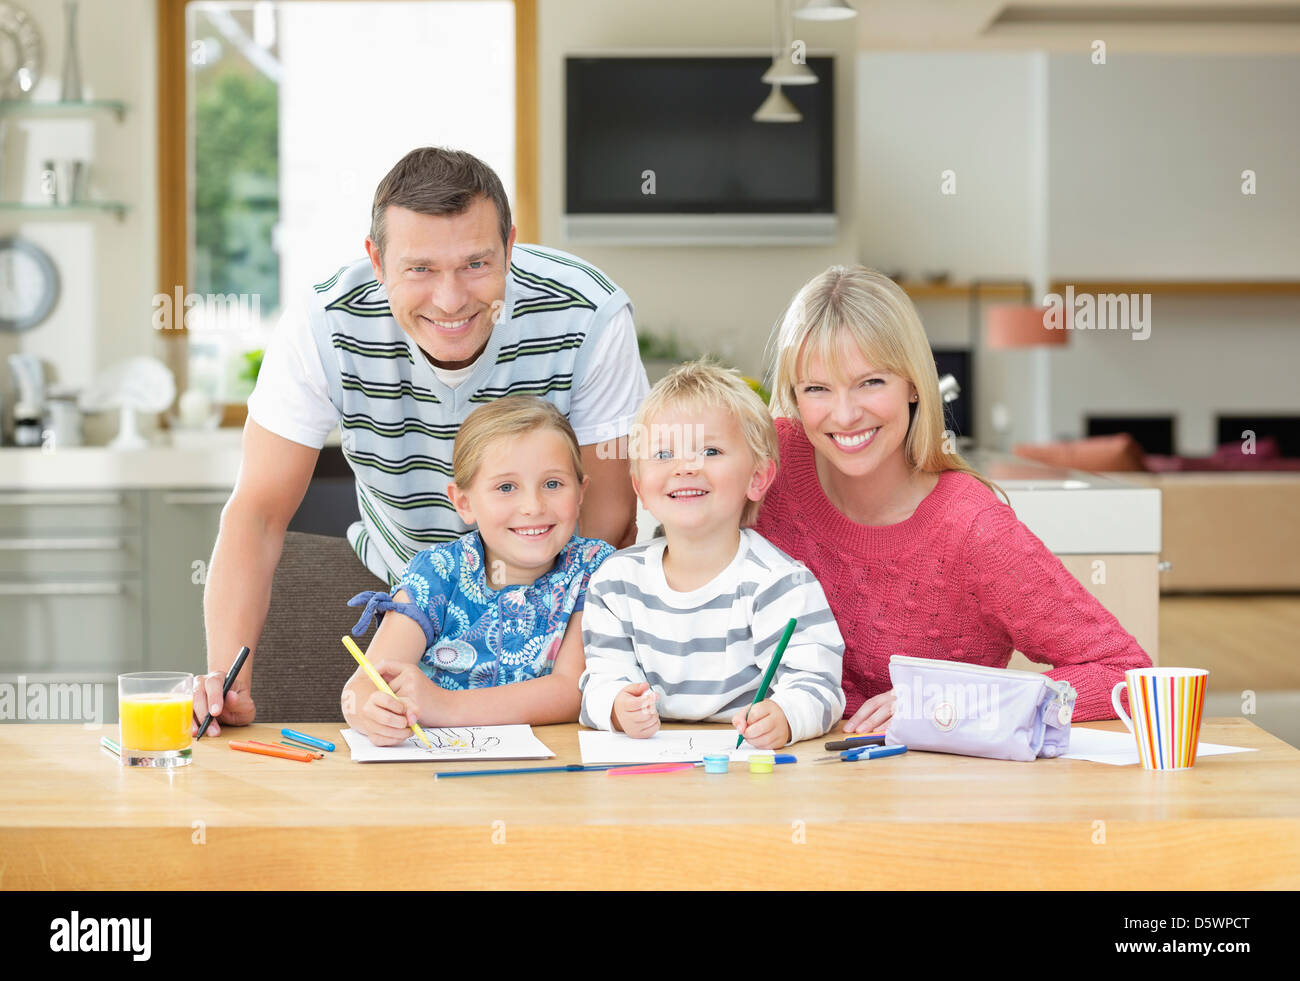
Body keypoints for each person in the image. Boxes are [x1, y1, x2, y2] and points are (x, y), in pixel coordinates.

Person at [195, 147, 646, 735]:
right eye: (420, 269)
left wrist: (526, 629)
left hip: (552, 600)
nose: (451, 298)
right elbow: (255, 514)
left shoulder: (590, 313)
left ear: (511, 249)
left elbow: (609, 515)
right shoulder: (323, 325)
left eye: (477, 265)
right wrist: (229, 687)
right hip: (404, 583)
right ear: (377, 262)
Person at [754, 265, 1152, 733]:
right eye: (817, 388)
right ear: (795, 396)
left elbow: (1126, 675)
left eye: (871, 382)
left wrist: (954, 701)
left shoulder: (974, 527)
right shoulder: (768, 464)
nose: (844, 415)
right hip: (777, 777)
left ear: (914, 383)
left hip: (928, 791)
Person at [579, 361, 845, 750]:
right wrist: (618, 707)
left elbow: (819, 686)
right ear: (640, 486)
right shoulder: (616, 581)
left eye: (711, 450)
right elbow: (599, 681)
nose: (686, 467)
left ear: (757, 478)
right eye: (664, 453)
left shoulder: (780, 583)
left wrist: (786, 717)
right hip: (648, 778)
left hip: (750, 771)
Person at [342, 397, 613, 743]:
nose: (532, 506)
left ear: (580, 493)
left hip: (554, 777)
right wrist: (371, 713)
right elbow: (361, 685)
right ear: (464, 503)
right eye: (506, 487)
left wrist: (445, 706)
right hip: (437, 778)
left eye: (553, 484)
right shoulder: (437, 573)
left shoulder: (594, 569)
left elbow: (572, 690)